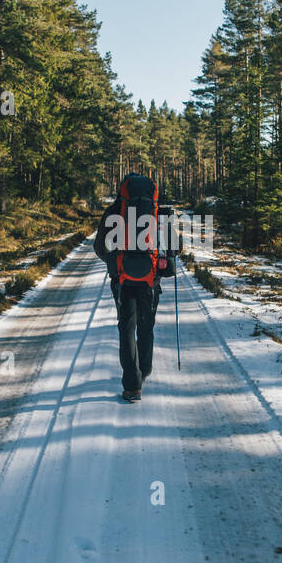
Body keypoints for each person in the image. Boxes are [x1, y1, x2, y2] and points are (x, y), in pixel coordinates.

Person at [93, 172, 174, 401]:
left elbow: (99, 247)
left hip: (123, 280)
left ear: (123, 191)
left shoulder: (114, 211)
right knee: (146, 326)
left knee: (126, 328)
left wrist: (115, 262)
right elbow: (176, 250)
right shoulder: (161, 213)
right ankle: (144, 370)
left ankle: (132, 386)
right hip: (150, 280)